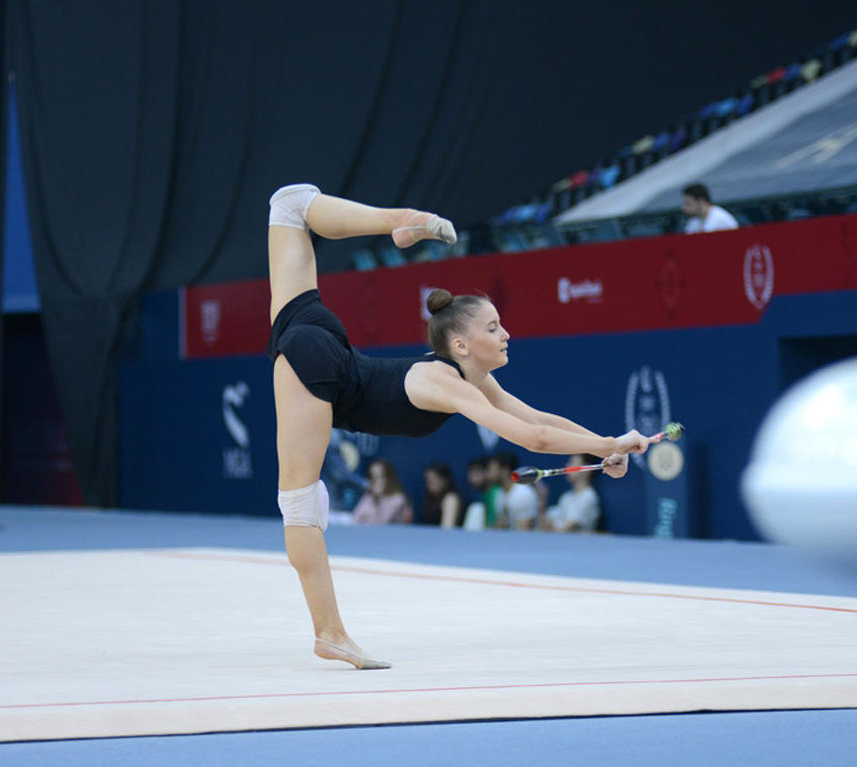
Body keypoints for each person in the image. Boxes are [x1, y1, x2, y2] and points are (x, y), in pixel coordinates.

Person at [266, 182, 650, 669]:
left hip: (323, 338)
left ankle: (397, 219)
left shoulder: (468, 378)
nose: (507, 333)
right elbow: (531, 439)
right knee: (301, 505)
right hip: (320, 365)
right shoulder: (443, 382)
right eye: (493, 328)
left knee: (289, 204)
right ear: (462, 345)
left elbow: (534, 417)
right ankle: (330, 633)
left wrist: (608, 443)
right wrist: (600, 447)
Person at [542, 454, 602, 533]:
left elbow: (563, 531)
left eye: (573, 463)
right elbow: (546, 529)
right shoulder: (566, 497)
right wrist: (541, 502)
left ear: (587, 470)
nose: (567, 467)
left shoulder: (588, 497)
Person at [350, 458, 413, 525]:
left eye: (379, 477)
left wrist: (379, 498)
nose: (375, 481)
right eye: (372, 477)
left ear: (388, 478)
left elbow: (381, 523)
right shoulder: (369, 497)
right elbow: (355, 519)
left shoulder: (398, 499)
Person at [487, 451, 539, 530]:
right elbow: (499, 528)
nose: (489, 475)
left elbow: (525, 532)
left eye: (492, 469)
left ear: (505, 471)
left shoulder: (523, 494)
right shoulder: (499, 493)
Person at [418, 462, 463, 528]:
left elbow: (447, 528)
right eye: (426, 481)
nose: (427, 486)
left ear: (444, 480)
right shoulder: (431, 501)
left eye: (431, 482)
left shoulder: (451, 499)